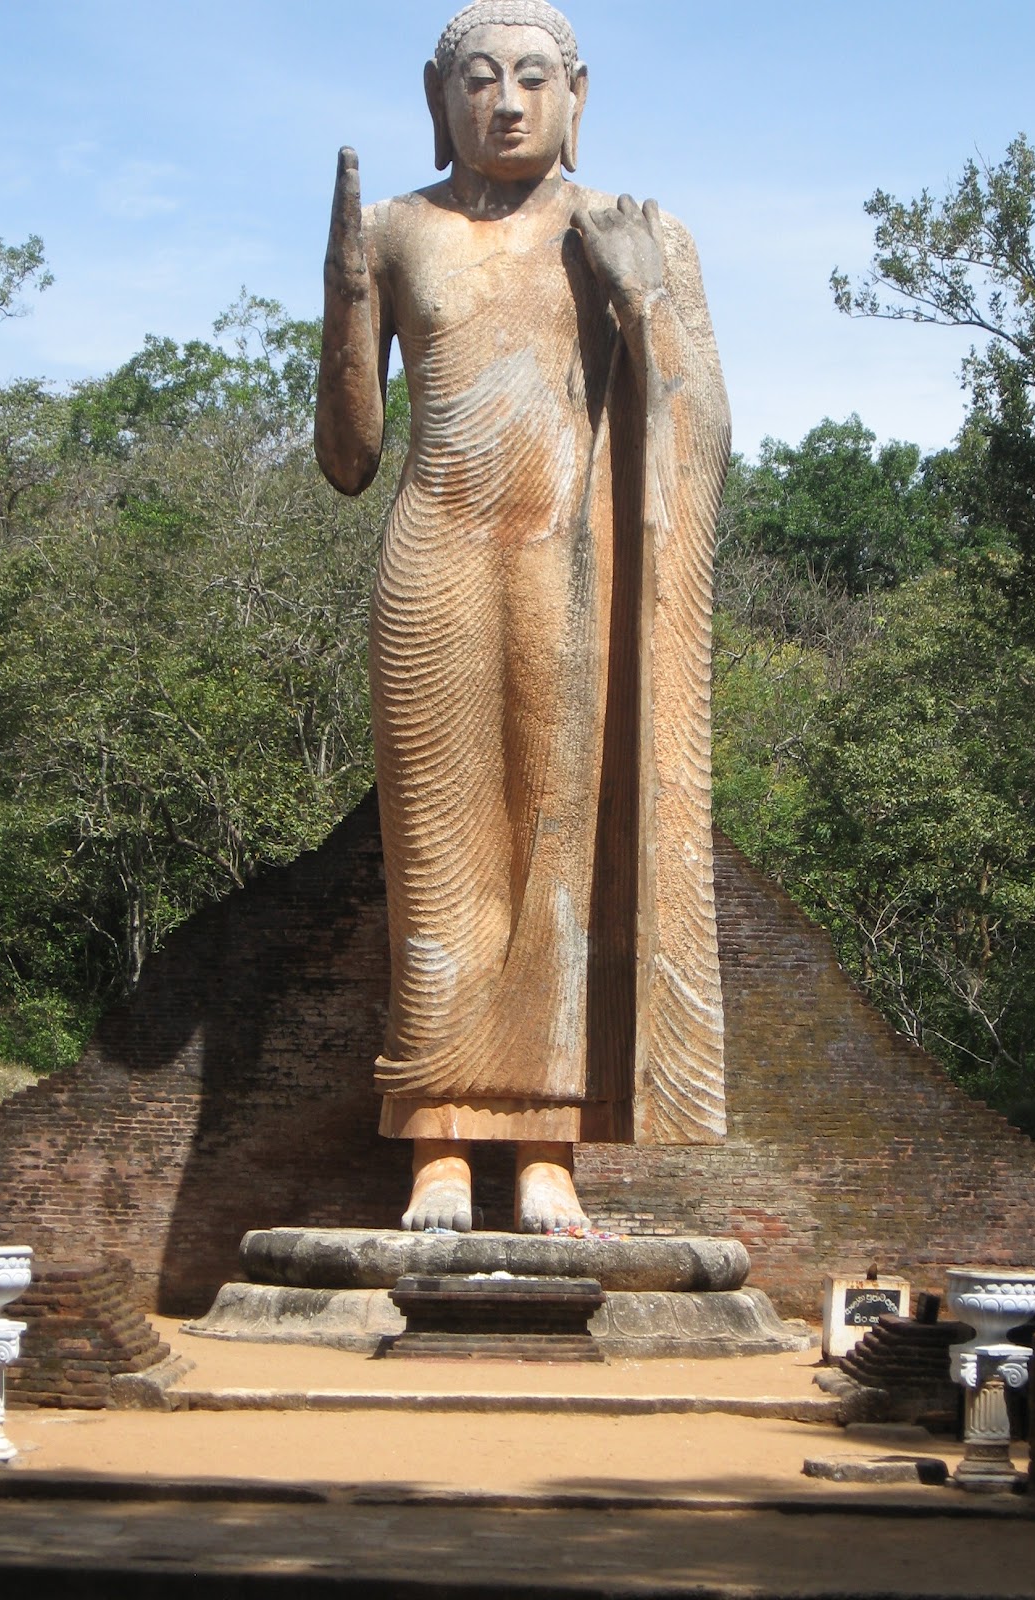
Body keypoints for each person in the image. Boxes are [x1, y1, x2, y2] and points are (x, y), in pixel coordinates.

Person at [315, 0, 730, 1234]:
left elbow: (703, 428)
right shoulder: (396, 232)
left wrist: (643, 305)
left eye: (534, 78)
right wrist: (346, 295)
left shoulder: (634, 232)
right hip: (438, 555)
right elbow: (347, 456)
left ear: (579, 93)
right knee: (438, 859)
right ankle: (438, 1141)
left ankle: (547, 1144)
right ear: (434, 96)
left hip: (572, 569)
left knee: (562, 854)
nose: (507, 101)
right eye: (480, 79)